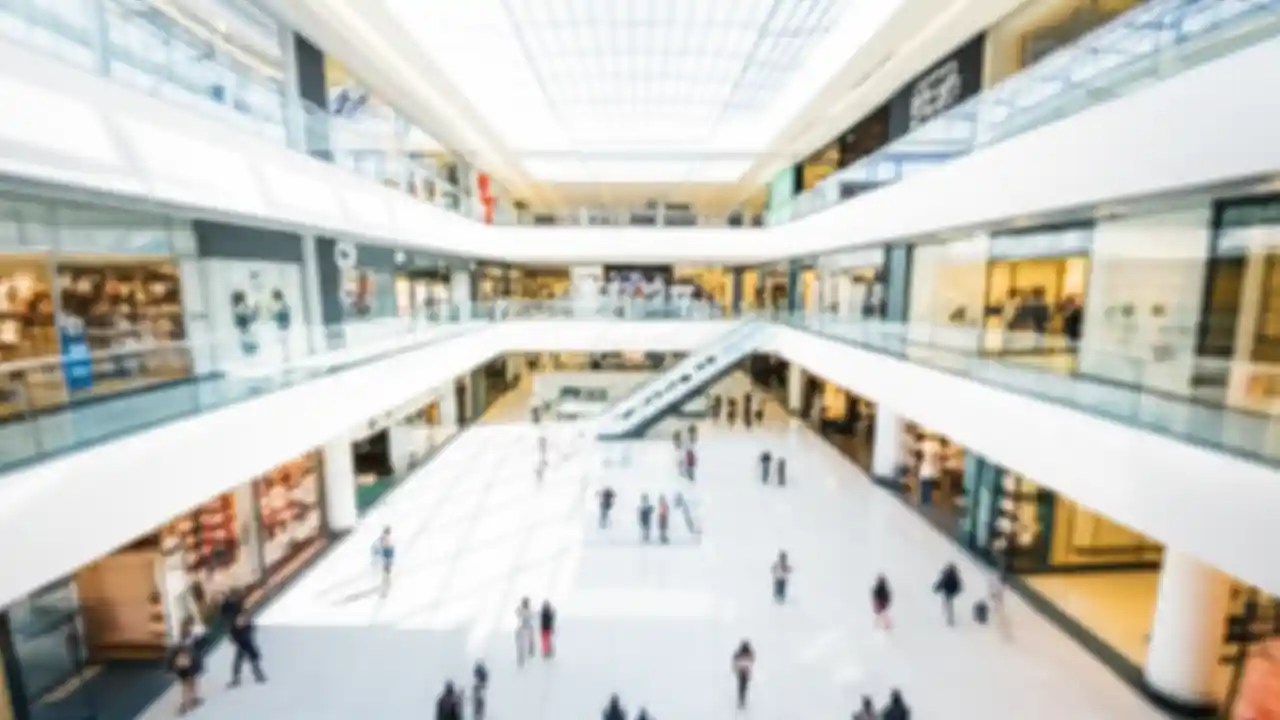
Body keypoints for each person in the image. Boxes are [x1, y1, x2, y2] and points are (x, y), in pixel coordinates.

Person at [221, 590, 266, 686]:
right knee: (246, 654)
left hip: (243, 633)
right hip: (241, 633)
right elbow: (232, 622)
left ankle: (240, 678)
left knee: (243, 655)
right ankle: (257, 674)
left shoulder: (235, 606)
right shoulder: (233, 607)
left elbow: (242, 618)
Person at [168, 619, 203, 715]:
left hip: (182, 667)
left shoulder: (178, 641)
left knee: (186, 685)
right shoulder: (193, 639)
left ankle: (187, 703)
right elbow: (200, 649)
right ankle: (190, 701)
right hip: (191, 666)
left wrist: (171, 668)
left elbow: (171, 655)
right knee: (191, 683)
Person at [917, 434, 942, 506]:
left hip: (925, 466)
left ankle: (924, 499)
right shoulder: (936, 445)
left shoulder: (922, 444)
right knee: (929, 484)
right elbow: (939, 456)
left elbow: (918, 455)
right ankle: (928, 500)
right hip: (931, 466)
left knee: (924, 483)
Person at [732, 640, 755, 708]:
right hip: (746, 672)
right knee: (744, 686)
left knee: (740, 686)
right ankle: (743, 700)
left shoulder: (738, 652)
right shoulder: (749, 652)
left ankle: (741, 700)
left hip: (740, 672)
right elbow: (752, 660)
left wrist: (735, 669)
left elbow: (735, 660)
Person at [373, 526, 395, 596]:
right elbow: (380, 545)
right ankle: (387, 581)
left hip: (388, 552)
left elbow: (389, 545)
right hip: (387, 552)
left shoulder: (386, 537)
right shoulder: (384, 537)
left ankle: (387, 580)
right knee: (387, 567)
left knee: (387, 567)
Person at [516, 597, 536, 666]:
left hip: (525, 628)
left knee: (524, 644)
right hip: (523, 628)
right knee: (522, 644)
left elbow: (518, 613)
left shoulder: (526, 611)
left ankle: (527, 654)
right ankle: (522, 658)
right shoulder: (525, 611)